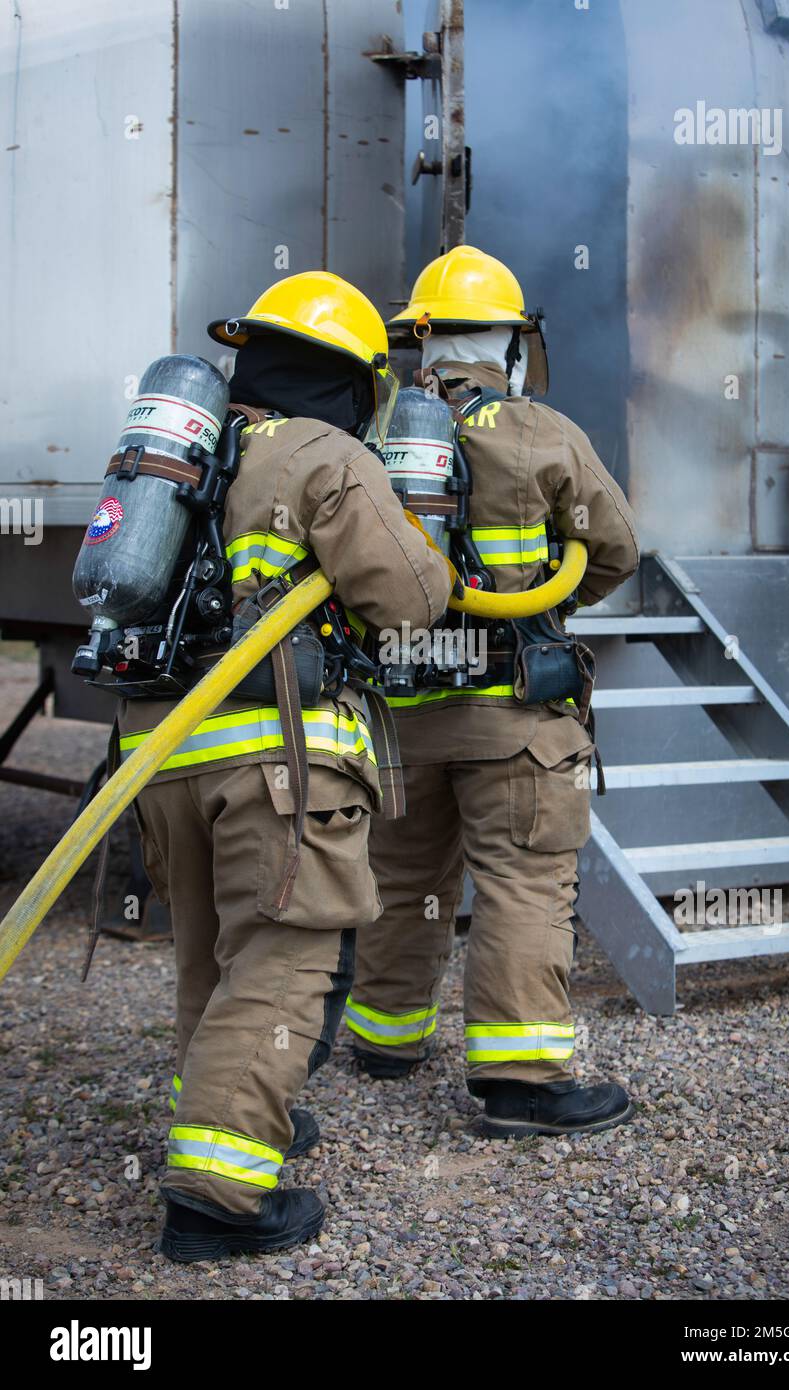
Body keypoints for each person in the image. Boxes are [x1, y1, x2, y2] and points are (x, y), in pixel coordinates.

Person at [122, 271, 452, 1260]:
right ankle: (219, 1192)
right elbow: (409, 598)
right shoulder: (325, 452)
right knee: (280, 959)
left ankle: (219, 1119)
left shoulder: (193, 454)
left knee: (211, 956)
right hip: (277, 760)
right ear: (349, 380)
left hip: (162, 754)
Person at [347, 246, 640, 1137]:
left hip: (400, 715)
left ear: (418, 345)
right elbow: (618, 549)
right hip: (513, 716)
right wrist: (549, 600)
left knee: (401, 879)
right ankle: (521, 1079)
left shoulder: (373, 434)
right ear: (510, 345)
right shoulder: (542, 433)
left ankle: (384, 1039)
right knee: (522, 880)